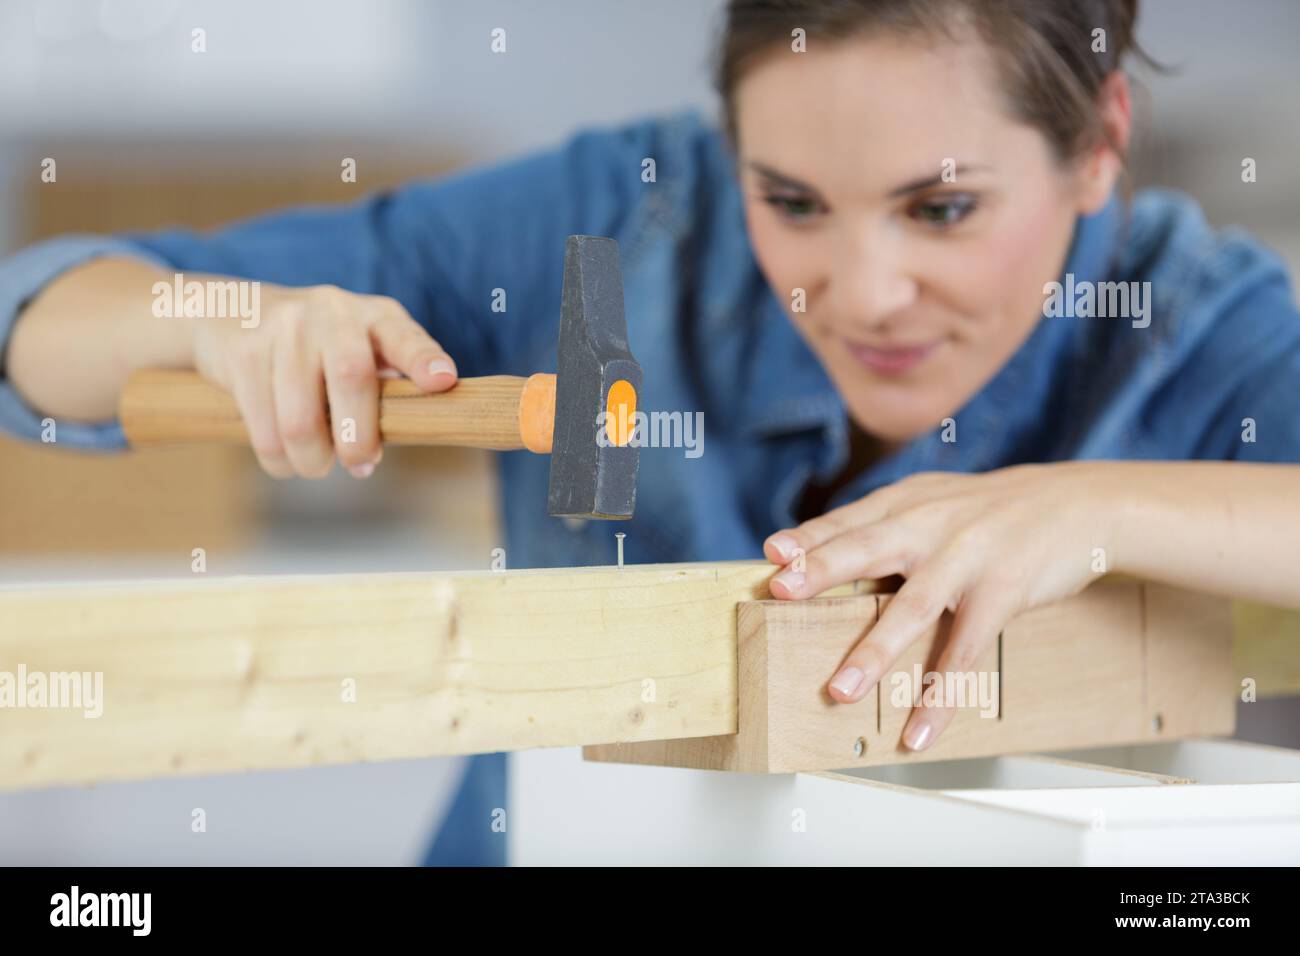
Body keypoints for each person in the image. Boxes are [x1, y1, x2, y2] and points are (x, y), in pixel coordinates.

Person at [2, 0, 1297, 865]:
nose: (859, 290)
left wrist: (1102, 508)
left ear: (1098, 147)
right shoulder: (611, 225)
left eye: (942, 211)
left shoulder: (1201, 325)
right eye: (789, 200)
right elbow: (38, 322)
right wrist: (222, 316)